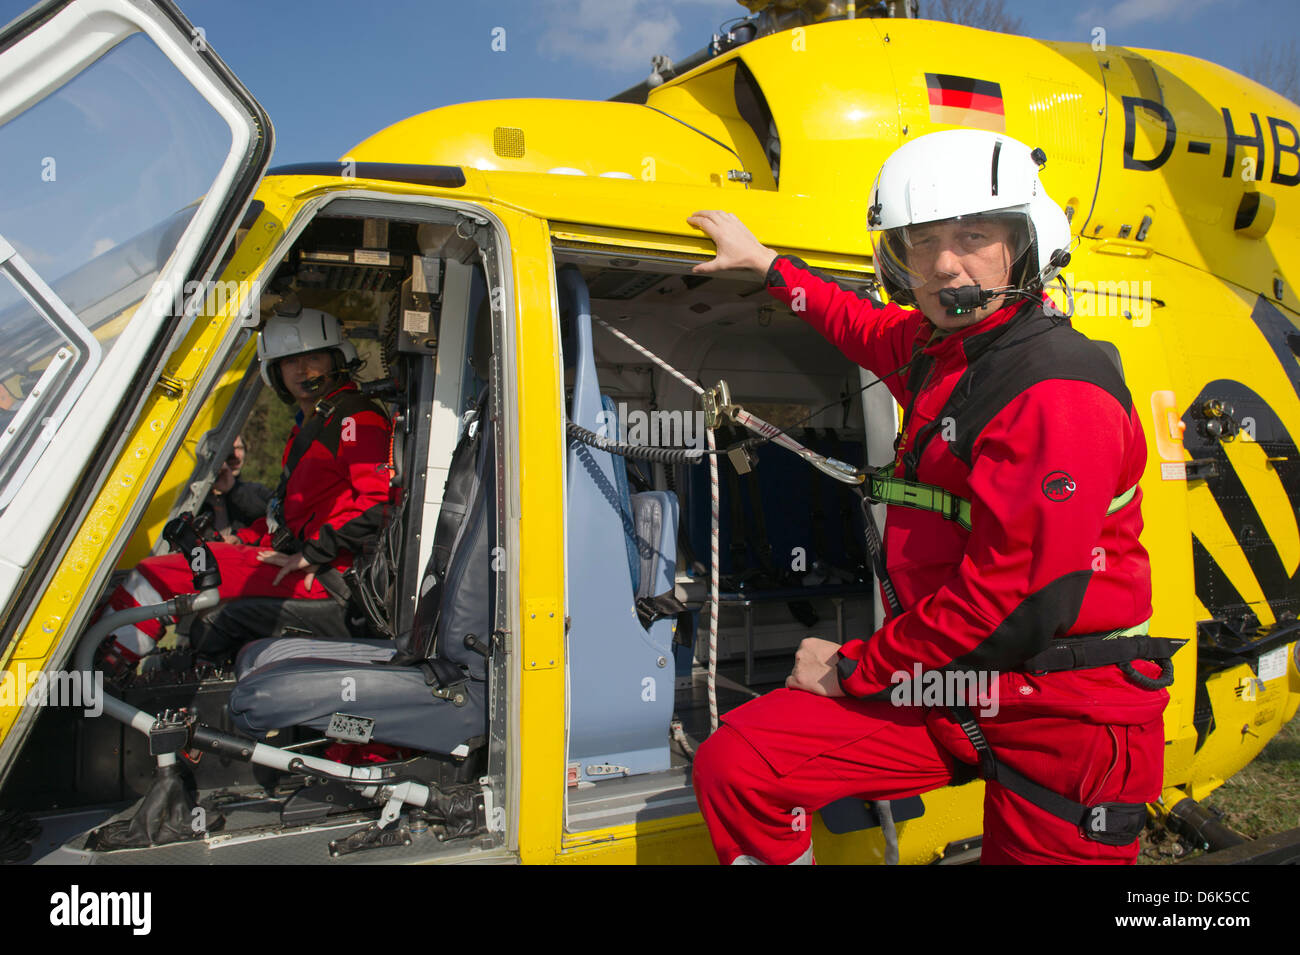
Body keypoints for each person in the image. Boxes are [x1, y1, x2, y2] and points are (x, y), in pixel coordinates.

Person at [686, 129, 1176, 865]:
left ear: (1025, 243)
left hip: (1062, 709)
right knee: (740, 767)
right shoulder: (940, 347)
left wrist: (856, 666)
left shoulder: (1055, 389)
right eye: (921, 241)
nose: (945, 263)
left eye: (973, 235)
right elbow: (853, 321)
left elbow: (1014, 602)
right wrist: (767, 266)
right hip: (949, 679)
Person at [97, 309, 393, 671]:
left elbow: (379, 501)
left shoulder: (353, 420)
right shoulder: (316, 421)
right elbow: (292, 513)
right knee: (179, 566)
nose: (304, 371)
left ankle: (101, 676)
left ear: (337, 360)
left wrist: (315, 552)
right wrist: (244, 539)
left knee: (156, 576)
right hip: (300, 560)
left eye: (314, 357)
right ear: (277, 373)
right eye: (291, 362)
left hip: (325, 574)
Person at [195, 434, 271, 544]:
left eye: (239, 448)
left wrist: (233, 488)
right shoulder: (195, 495)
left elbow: (268, 515)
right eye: (229, 449)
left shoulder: (255, 490)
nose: (235, 455)